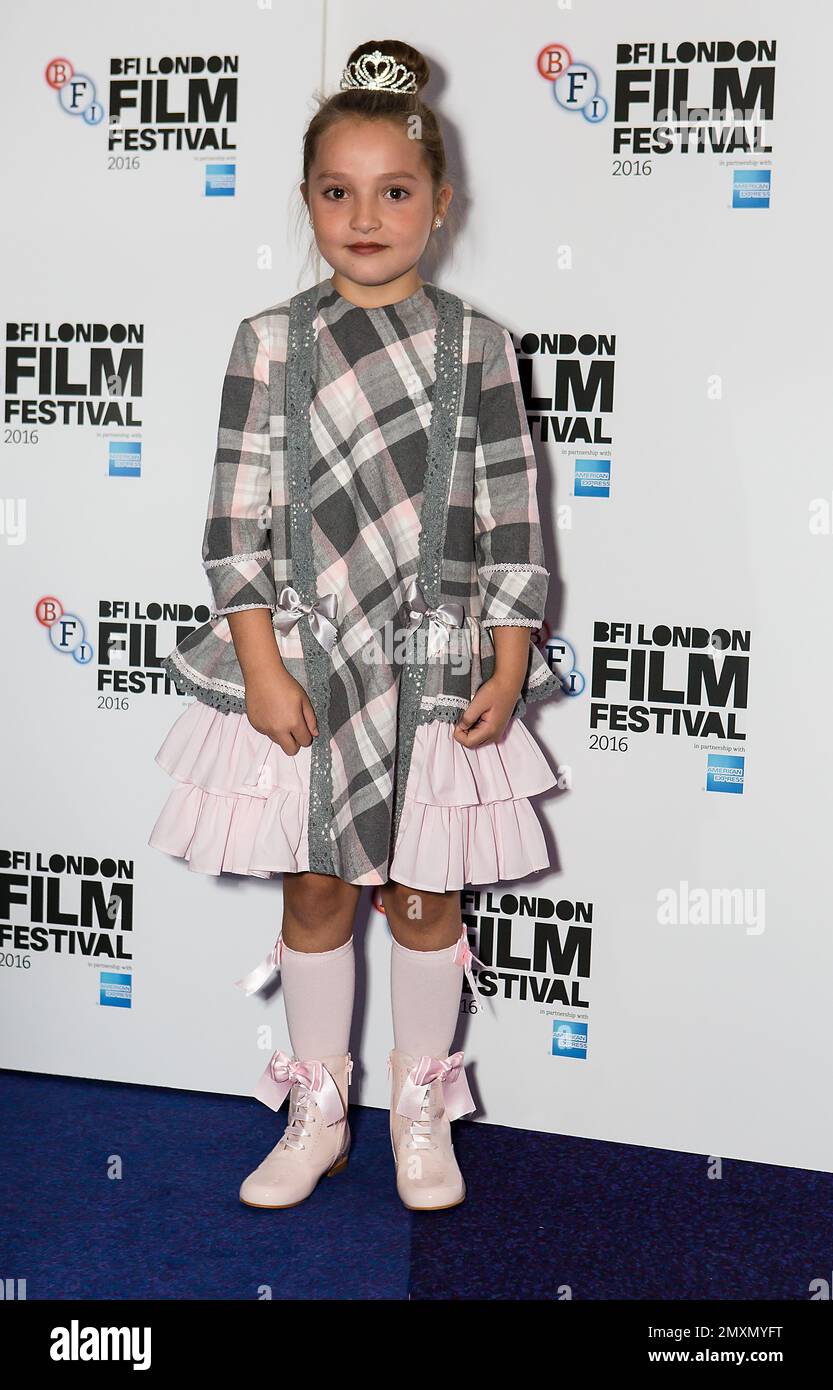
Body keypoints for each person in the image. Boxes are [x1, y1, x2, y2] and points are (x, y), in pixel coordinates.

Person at [148, 38, 560, 1213]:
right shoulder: (267, 341)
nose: (364, 215)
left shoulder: (476, 344)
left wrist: (512, 654)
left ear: (440, 204)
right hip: (306, 665)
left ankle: (419, 1108)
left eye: (394, 191)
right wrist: (261, 666)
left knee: (427, 896)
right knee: (317, 892)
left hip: (432, 666)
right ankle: (317, 1109)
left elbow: (513, 515)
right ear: (306, 201)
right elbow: (232, 522)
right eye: (338, 191)